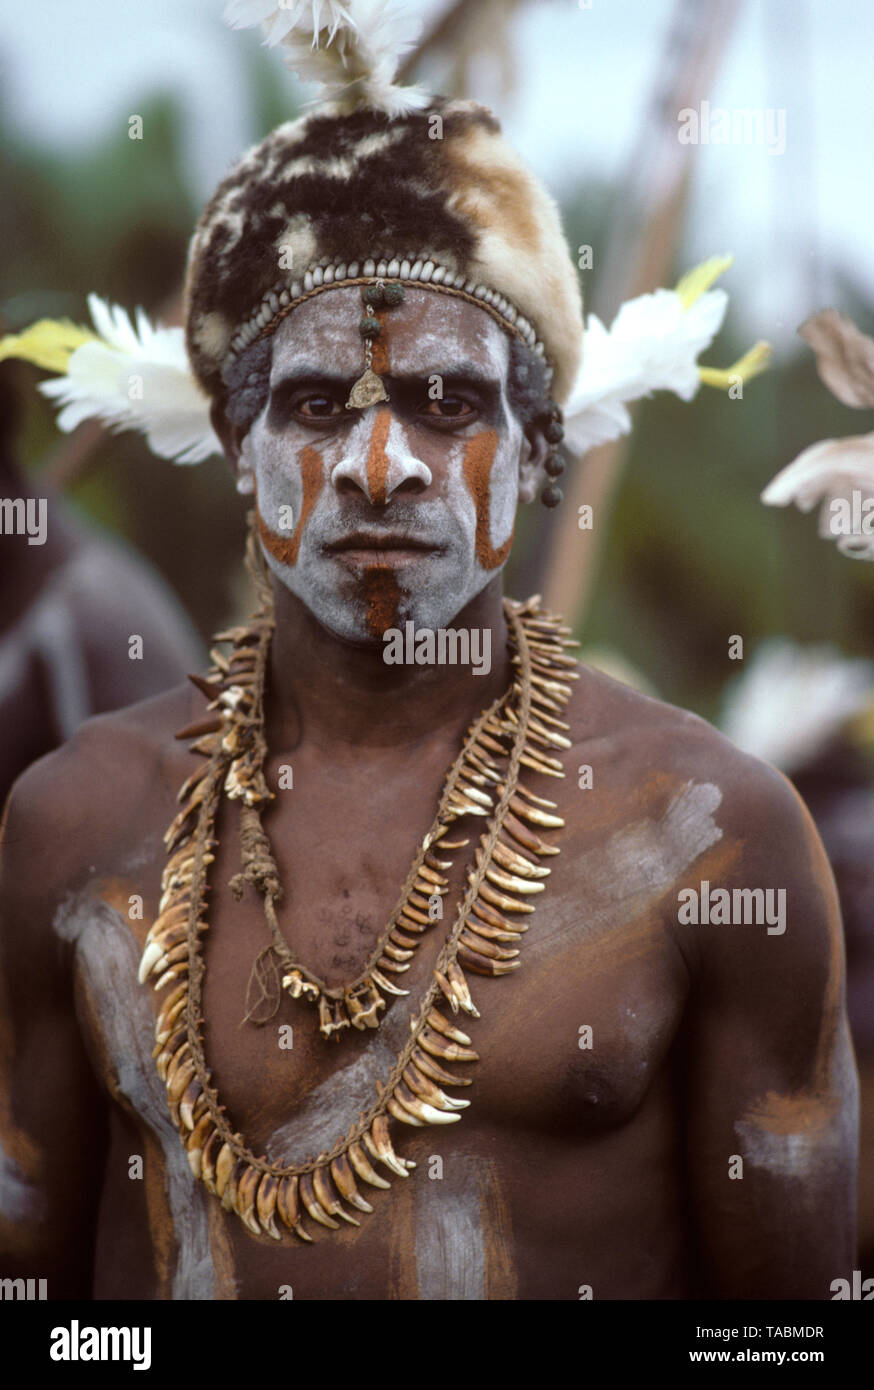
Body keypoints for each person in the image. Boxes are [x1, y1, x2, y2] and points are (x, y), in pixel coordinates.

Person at [0, 2, 855, 1300]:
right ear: (239, 455)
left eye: (447, 401)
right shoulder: (75, 824)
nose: (379, 466)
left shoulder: (715, 837)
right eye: (313, 404)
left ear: (536, 450)